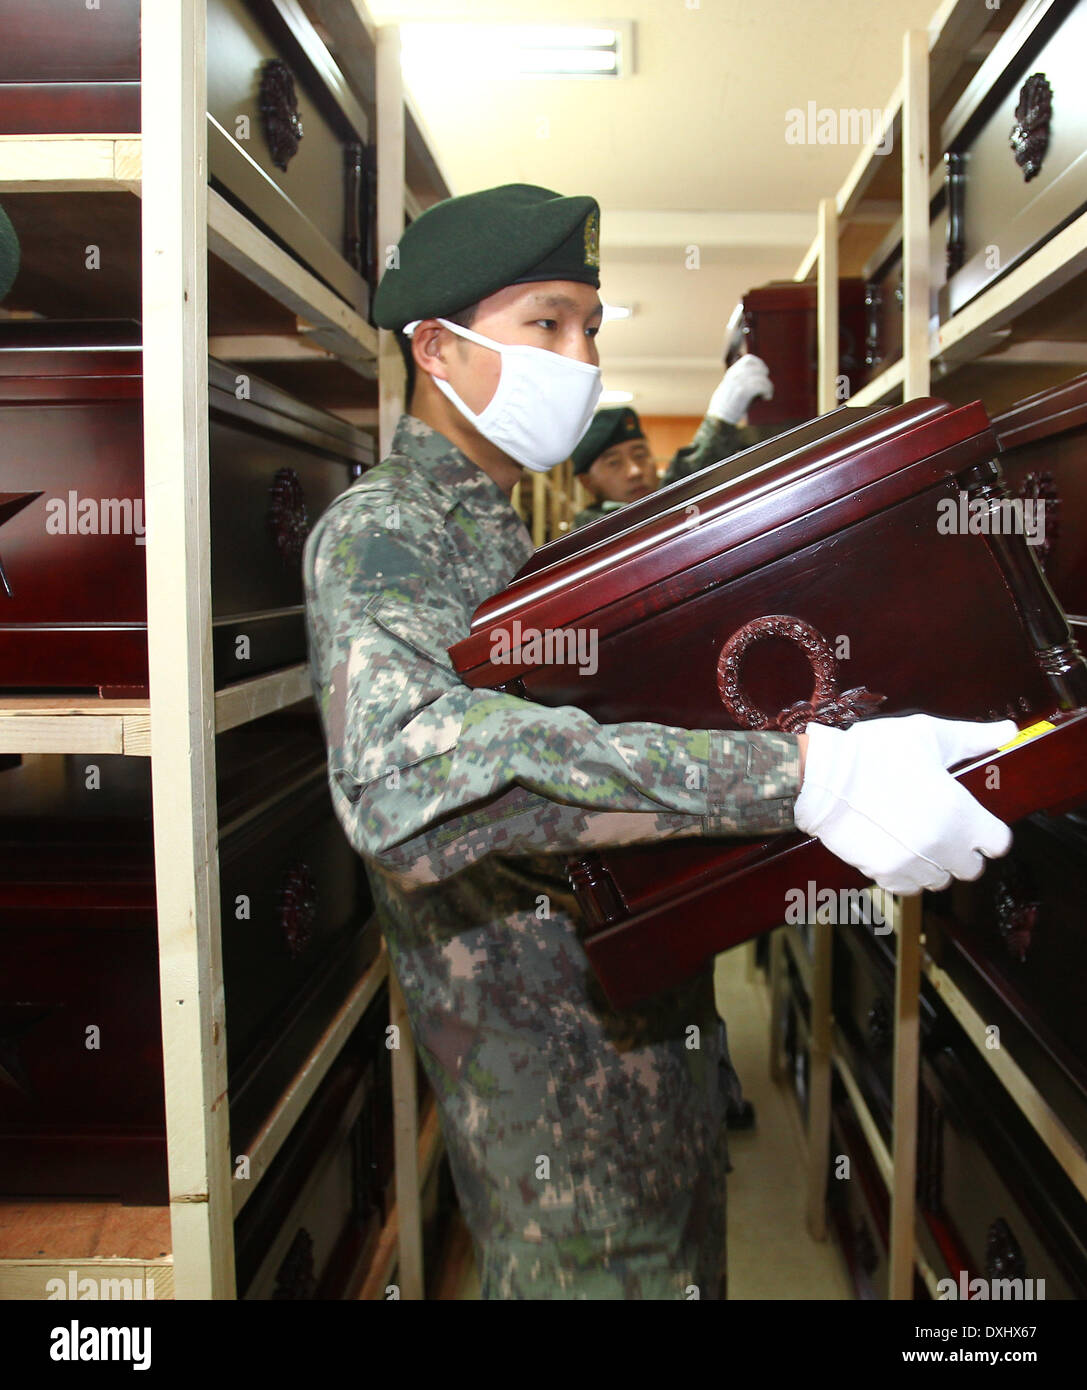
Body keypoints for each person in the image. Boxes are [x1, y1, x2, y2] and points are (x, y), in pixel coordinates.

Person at [302, 182, 1016, 1300]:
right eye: (545, 324)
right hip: (553, 1106)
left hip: (641, 1038)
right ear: (434, 348)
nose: (579, 359)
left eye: (590, 325)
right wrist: (799, 777)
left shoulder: (501, 527)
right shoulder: (386, 530)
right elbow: (407, 777)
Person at [571, 359, 776, 528]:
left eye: (640, 455)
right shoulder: (590, 531)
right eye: (614, 463)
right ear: (587, 482)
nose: (634, 471)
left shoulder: (662, 504)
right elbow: (652, 521)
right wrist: (720, 423)